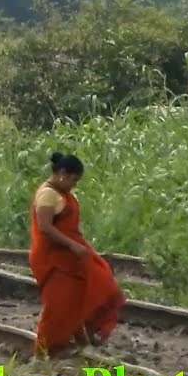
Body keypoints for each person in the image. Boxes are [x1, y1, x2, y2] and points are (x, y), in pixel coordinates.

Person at [28, 151, 125, 358]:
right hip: (52, 257)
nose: (74, 185)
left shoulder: (61, 194)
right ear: (62, 173)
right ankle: (43, 352)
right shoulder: (47, 194)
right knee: (58, 303)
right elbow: (45, 227)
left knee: (84, 292)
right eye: (73, 180)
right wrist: (72, 245)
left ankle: (84, 340)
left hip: (69, 254)